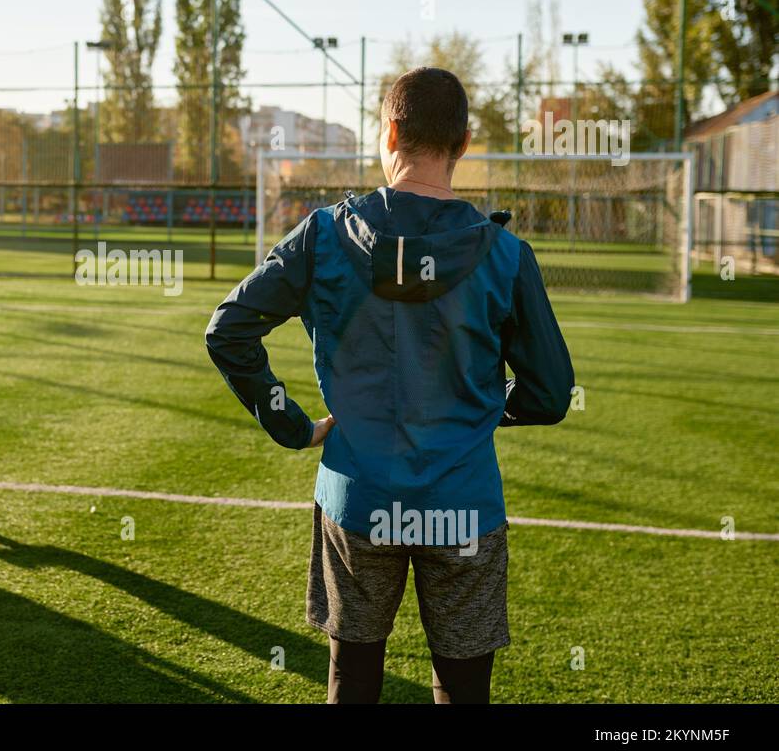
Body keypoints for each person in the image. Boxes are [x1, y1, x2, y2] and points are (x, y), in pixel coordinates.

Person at [205, 67, 574, 703]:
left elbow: (228, 330)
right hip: (463, 502)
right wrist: (479, 411)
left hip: (357, 496)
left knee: (352, 682)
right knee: (463, 690)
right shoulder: (508, 254)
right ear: (463, 143)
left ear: (391, 132)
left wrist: (293, 424)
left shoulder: (324, 236)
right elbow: (549, 394)